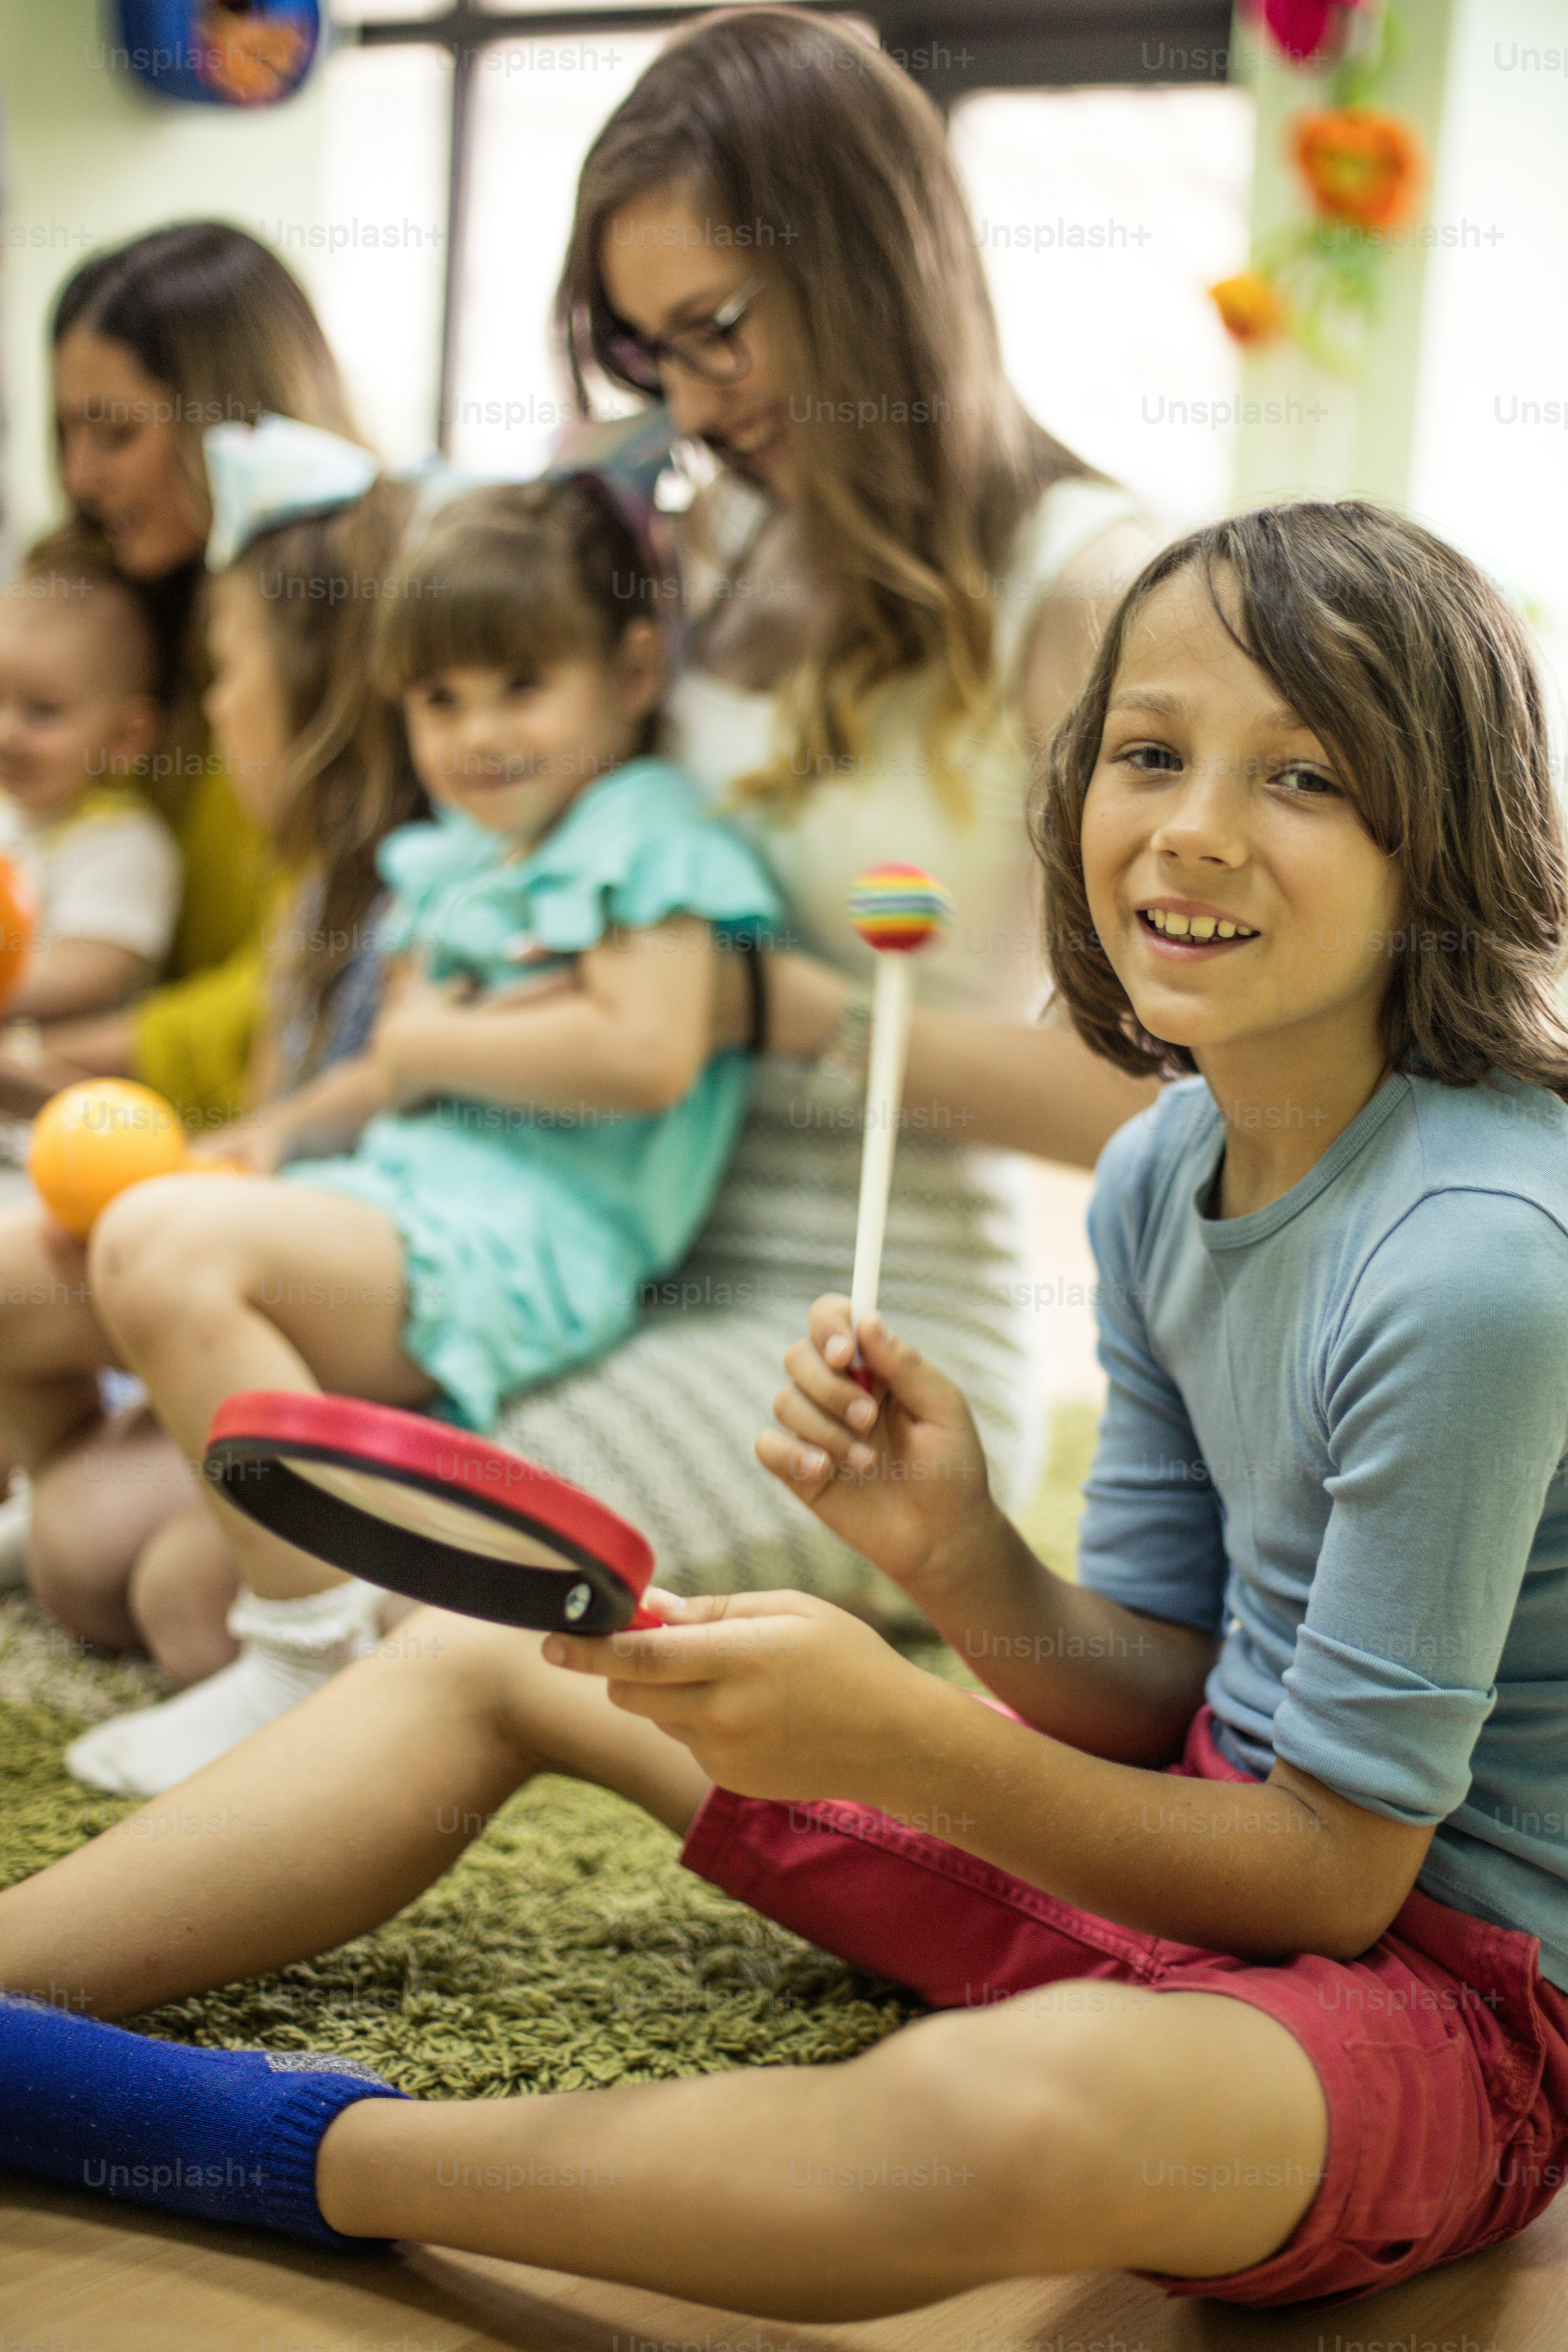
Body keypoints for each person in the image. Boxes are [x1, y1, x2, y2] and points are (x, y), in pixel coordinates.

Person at [4, 497, 1565, 2322]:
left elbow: (1325, 1877)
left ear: (1437, 842)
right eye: (1147, 751)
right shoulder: (1162, 1168)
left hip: (1445, 1995)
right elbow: (1150, 1684)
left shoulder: (1476, 1264)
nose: (1193, 828)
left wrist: (901, 1740)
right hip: (1189, 1834)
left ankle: (252, 2144)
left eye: (1302, 777)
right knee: (491, 1646)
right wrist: (958, 1552)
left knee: (1018, 2119)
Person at [9, 459, 780, 1798]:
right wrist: (265, 1138)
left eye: (521, 685)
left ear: (636, 670)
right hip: (393, 1201)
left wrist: (430, 1042)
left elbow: (652, 1050)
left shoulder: (648, 834)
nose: (479, 732)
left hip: (516, 1244)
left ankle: (302, 1647)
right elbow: (371, 1090)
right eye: (440, 699)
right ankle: (53, 1502)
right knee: (33, 1262)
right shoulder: (453, 861)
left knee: (161, 1248)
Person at [13, 417, 426, 1696]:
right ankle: (77, 1472)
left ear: (313, 692)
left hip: (367, 1315)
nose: (216, 707)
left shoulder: (425, 902)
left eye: (226, 670)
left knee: (171, 1588)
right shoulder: (307, 901)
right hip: (258, 1295)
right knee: (80, 1559)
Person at [0, 221, 380, 1122]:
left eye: (117, 432)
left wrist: (39, 1054)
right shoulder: (99, 603)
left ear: (228, 422)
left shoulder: (351, 644)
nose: (82, 477)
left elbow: (304, 980)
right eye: (66, 433)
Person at [0, 542, 179, 1024]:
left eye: (43, 712)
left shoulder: (123, 845)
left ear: (124, 737)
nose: (7, 734)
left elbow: (82, 978)